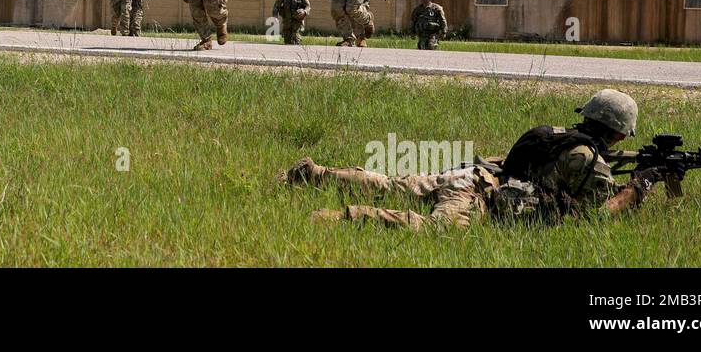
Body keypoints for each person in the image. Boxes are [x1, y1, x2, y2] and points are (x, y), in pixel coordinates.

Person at [279, 89, 672, 229]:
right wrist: (638, 188)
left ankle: (313, 173)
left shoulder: (560, 135)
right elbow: (597, 214)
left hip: (471, 173)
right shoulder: (586, 160)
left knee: (390, 184)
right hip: (477, 193)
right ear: (619, 130)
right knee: (436, 229)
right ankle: (342, 217)